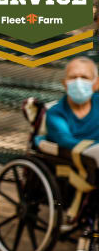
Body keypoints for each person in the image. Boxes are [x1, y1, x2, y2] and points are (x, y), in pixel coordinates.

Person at [44, 57, 99, 197]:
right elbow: (65, 141)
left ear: (96, 83)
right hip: (76, 164)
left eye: (85, 77)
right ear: (65, 83)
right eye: (73, 77)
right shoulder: (55, 113)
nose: (79, 82)